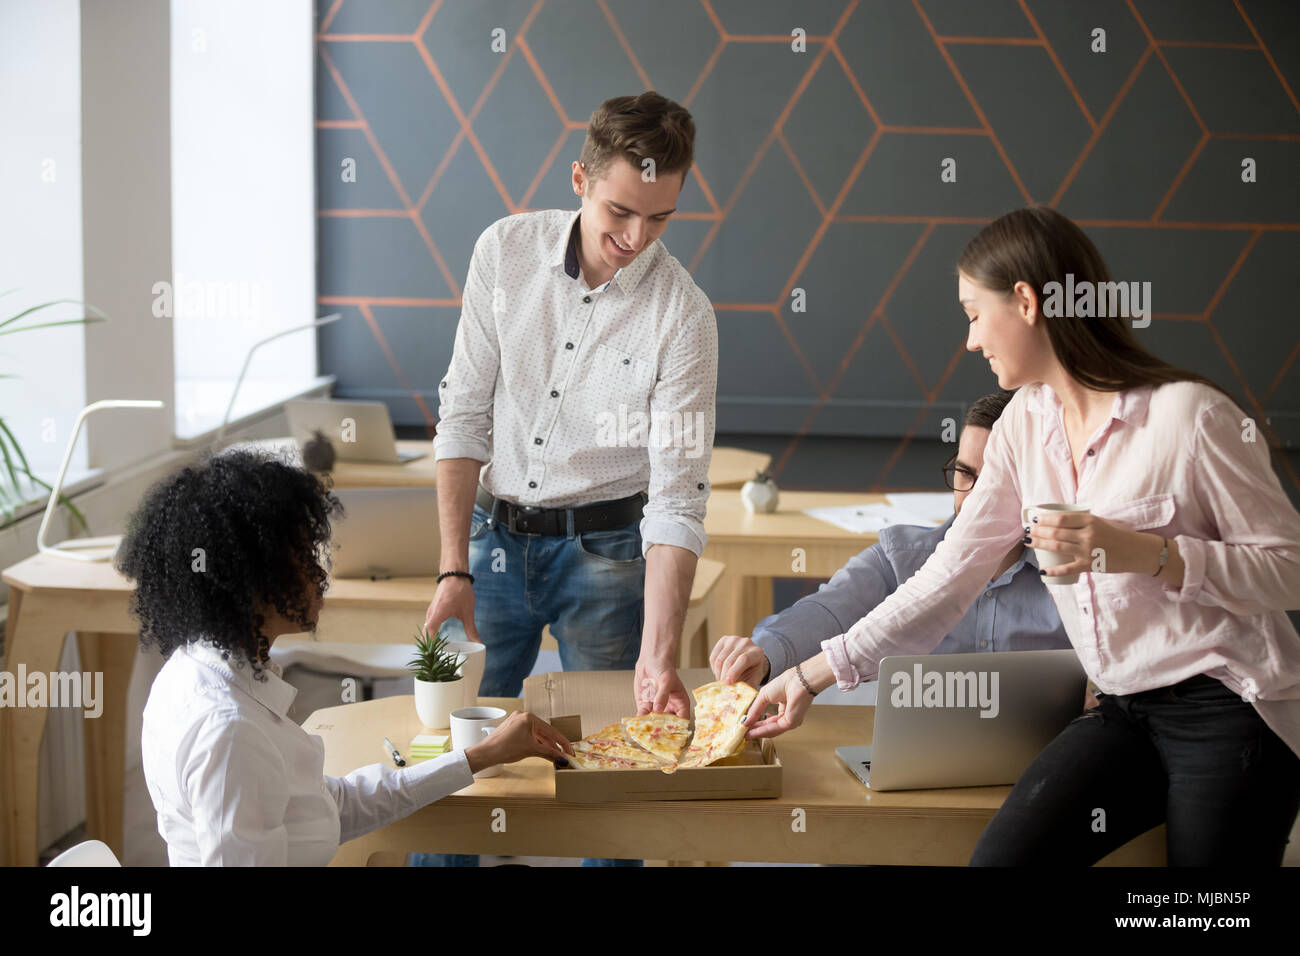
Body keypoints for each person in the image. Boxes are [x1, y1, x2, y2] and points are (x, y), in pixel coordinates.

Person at [740, 206, 1300, 866]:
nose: (971, 340)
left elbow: (1288, 567)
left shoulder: (1188, 416)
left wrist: (1150, 554)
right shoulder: (1024, 426)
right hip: (1124, 709)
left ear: (1027, 302)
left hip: (1231, 705)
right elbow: (948, 579)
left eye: (975, 314)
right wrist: (807, 676)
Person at [418, 91, 717, 867]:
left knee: (610, 781)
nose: (636, 237)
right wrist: (453, 568)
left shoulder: (682, 315)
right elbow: (463, 418)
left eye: (660, 219)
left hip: (609, 555)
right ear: (580, 177)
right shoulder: (504, 252)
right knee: (449, 765)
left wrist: (661, 653)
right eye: (621, 210)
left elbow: (677, 498)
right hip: (488, 544)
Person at [116, 449, 572, 866]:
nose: (321, 573)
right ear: (251, 581)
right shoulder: (229, 732)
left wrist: (477, 756)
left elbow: (332, 806)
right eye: (302, 557)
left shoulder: (194, 668)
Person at [710, 388, 1071, 691]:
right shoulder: (901, 559)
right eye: (963, 474)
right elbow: (829, 609)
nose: (973, 496)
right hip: (915, 762)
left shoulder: (1071, 575)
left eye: (992, 481)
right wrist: (767, 654)